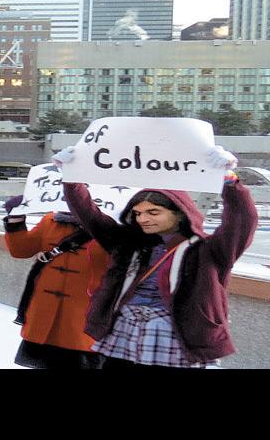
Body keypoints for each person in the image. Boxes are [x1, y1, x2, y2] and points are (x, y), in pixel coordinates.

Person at [53, 145, 257, 369]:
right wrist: (71, 179)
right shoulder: (128, 243)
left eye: (153, 212)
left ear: (180, 214)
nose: (143, 219)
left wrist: (230, 181)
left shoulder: (207, 250)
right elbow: (89, 214)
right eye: (138, 213)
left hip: (175, 333)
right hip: (124, 328)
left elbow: (241, 222)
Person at [2, 195, 109, 369]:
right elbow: (21, 250)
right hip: (44, 317)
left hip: (83, 320)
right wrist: (16, 219)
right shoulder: (49, 221)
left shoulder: (109, 227)